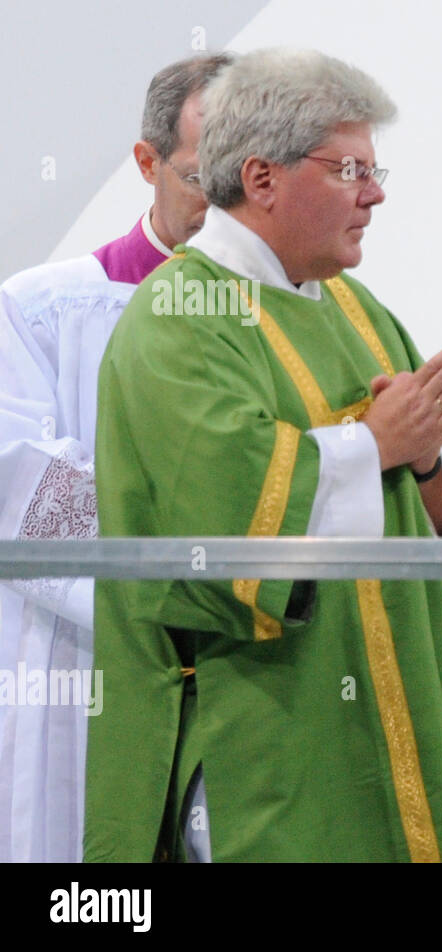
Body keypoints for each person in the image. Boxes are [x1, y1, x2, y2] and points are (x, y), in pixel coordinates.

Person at [85, 48, 442, 862]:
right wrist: (376, 444)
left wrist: (422, 465)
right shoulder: (179, 315)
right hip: (272, 728)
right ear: (262, 177)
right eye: (350, 170)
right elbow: (223, 517)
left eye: (378, 172)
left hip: (404, 711)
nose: (375, 195)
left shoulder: (355, 306)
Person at [0, 53, 230, 863]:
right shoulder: (46, 308)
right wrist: (195, 564)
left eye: (249, 179)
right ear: (146, 163)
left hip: (247, 673)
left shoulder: (298, 320)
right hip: (88, 661)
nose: (228, 206)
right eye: (206, 177)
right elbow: (16, 478)